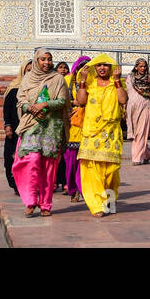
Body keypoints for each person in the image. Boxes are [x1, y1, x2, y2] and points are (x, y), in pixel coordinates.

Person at [11, 48, 70, 217]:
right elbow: (21, 99)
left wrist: (44, 105)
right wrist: (29, 107)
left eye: (49, 59)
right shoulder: (28, 78)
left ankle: (45, 204)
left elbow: (62, 101)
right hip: (31, 125)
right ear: (36, 61)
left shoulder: (58, 79)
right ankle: (30, 201)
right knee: (30, 161)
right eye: (43, 59)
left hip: (51, 127)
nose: (47, 62)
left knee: (48, 168)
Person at [75, 53, 127, 217]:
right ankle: (96, 205)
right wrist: (83, 80)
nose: (102, 68)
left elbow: (123, 100)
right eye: (99, 65)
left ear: (111, 67)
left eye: (105, 65)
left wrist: (117, 80)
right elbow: (81, 101)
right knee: (92, 171)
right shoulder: (89, 83)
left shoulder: (117, 83)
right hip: (92, 132)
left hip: (111, 132)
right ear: (94, 68)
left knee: (111, 171)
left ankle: (109, 200)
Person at [63, 55, 89, 202]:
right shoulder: (68, 81)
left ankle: (84, 189)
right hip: (73, 124)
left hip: (90, 124)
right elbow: (63, 99)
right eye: (81, 68)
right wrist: (75, 103)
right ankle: (73, 189)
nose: (83, 71)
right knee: (72, 160)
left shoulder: (93, 82)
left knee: (85, 161)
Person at [126, 58, 150, 165]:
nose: (143, 68)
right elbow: (127, 92)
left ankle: (137, 158)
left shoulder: (149, 78)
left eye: (144, 66)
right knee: (134, 131)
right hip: (131, 107)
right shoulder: (130, 77)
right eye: (141, 66)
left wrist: (145, 94)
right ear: (136, 67)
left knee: (141, 133)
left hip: (144, 106)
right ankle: (147, 153)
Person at [3, 60, 31, 189]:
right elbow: (7, 108)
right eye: (28, 70)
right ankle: (15, 182)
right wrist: (7, 125)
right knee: (12, 157)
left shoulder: (38, 87)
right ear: (23, 71)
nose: (30, 73)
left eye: (33, 70)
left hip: (31, 128)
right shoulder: (14, 88)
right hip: (15, 127)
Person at [53, 61, 71, 191]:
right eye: (60, 67)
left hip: (67, 121)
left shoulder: (72, 83)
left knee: (66, 153)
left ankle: (65, 181)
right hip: (53, 121)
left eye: (65, 68)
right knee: (53, 154)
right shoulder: (51, 83)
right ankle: (53, 181)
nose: (63, 70)